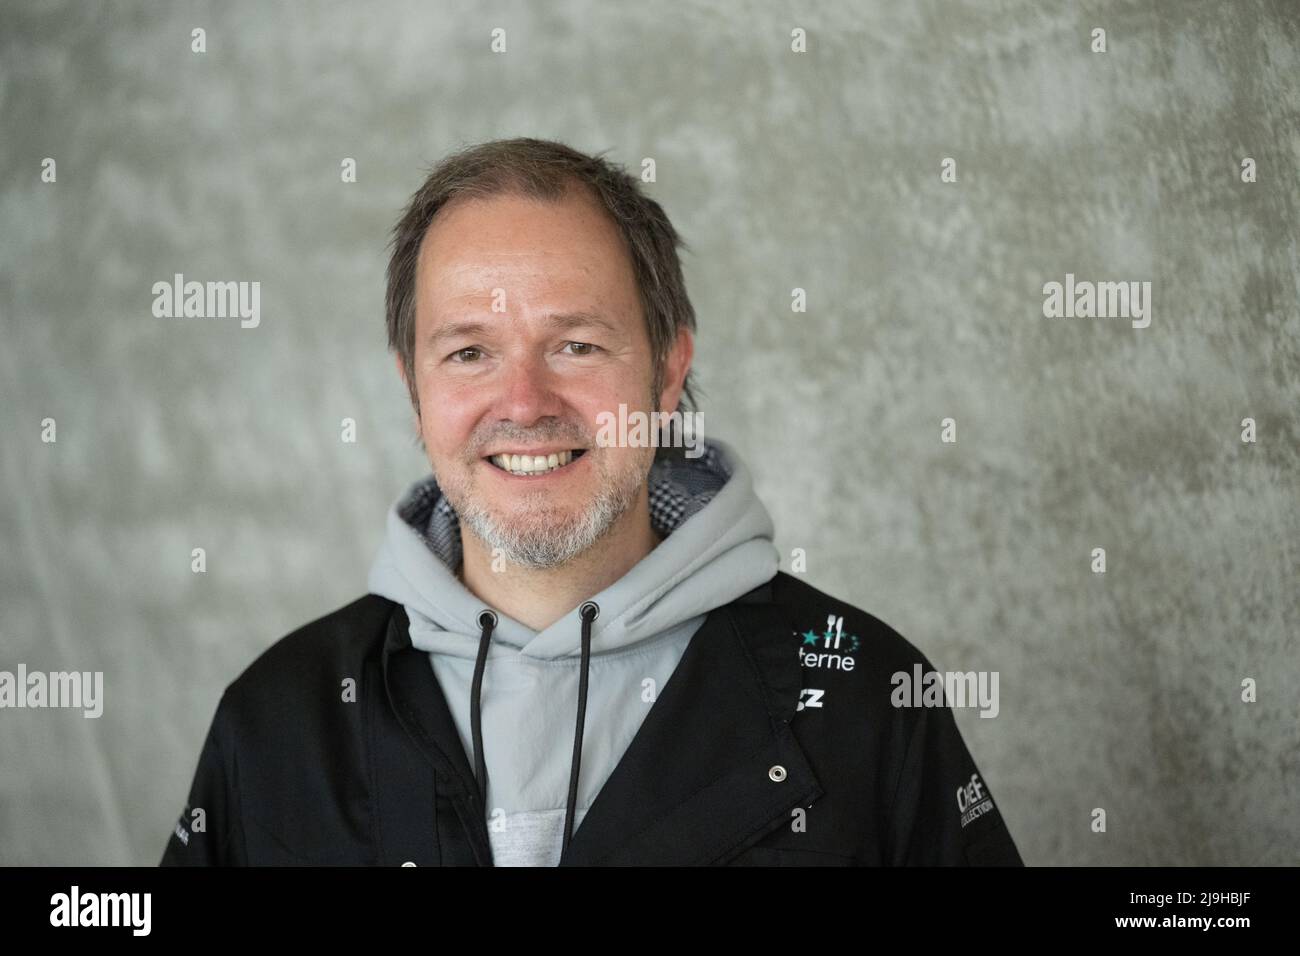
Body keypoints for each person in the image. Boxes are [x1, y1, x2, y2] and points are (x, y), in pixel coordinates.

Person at [159, 137, 1023, 866]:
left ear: (668, 368)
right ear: (413, 388)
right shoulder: (277, 724)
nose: (526, 402)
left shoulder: (864, 701)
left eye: (575, 344)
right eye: (468, 353)